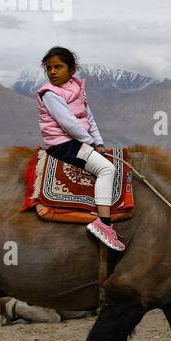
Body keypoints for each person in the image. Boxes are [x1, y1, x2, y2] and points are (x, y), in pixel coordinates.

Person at [37, 46, 125, 251]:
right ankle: (103, 223)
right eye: (49, 68)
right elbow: (68, 123)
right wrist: (90, 143)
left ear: (72, 69)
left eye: (58, 67)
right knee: (107, 169)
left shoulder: (77, 89)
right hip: (63, 144)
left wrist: (99, 142)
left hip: (78, 140)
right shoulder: (50, 93)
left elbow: (88, 118)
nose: (52, 72)